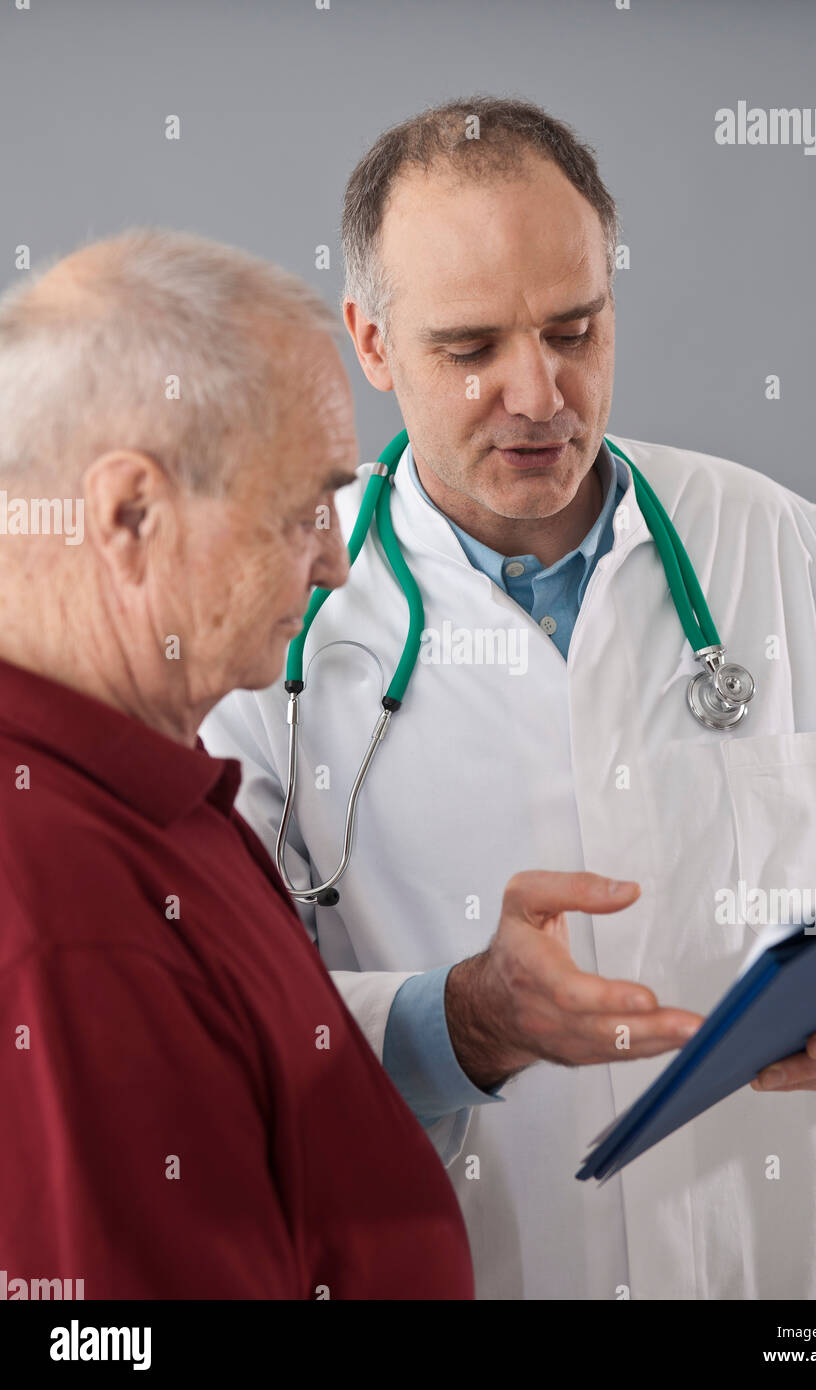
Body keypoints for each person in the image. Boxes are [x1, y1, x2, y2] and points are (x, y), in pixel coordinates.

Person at [200, 98, 816, 1300]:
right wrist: (462, 1021)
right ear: (372, 342)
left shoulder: (768, 539)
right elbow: (217, 1023)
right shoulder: (274, 607)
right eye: (471, 348)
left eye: (575, 328)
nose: (539, 393)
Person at [0, 228, 484, 1298]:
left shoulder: (149, 790)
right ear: (130, 514)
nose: (335, 557)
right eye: (302, 506)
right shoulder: (57, 915)